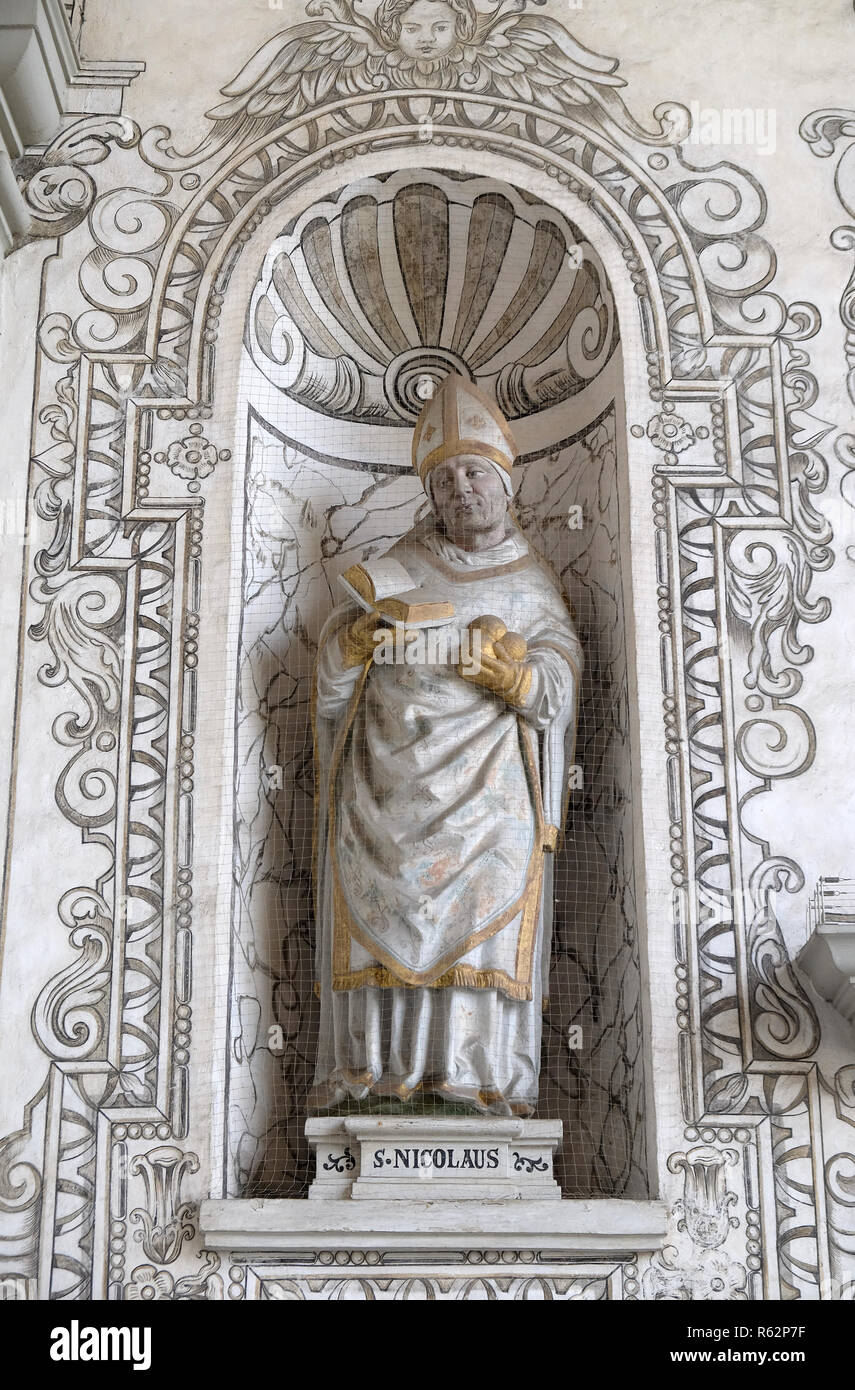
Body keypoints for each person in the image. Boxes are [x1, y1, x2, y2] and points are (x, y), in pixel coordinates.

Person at [309, 373, 582, 1116]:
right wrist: (355, 643)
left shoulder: (531, 584)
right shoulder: (394, 572)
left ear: (503, 483)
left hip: (489, 808)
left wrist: (514, 678)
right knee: (382, 923)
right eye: (445, 480)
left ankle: (475, 1077)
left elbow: (559, 676)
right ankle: (377, 1079)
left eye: (473, 474)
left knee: (477, 937)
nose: (461, 490)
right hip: (385, 799)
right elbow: (330, 688)